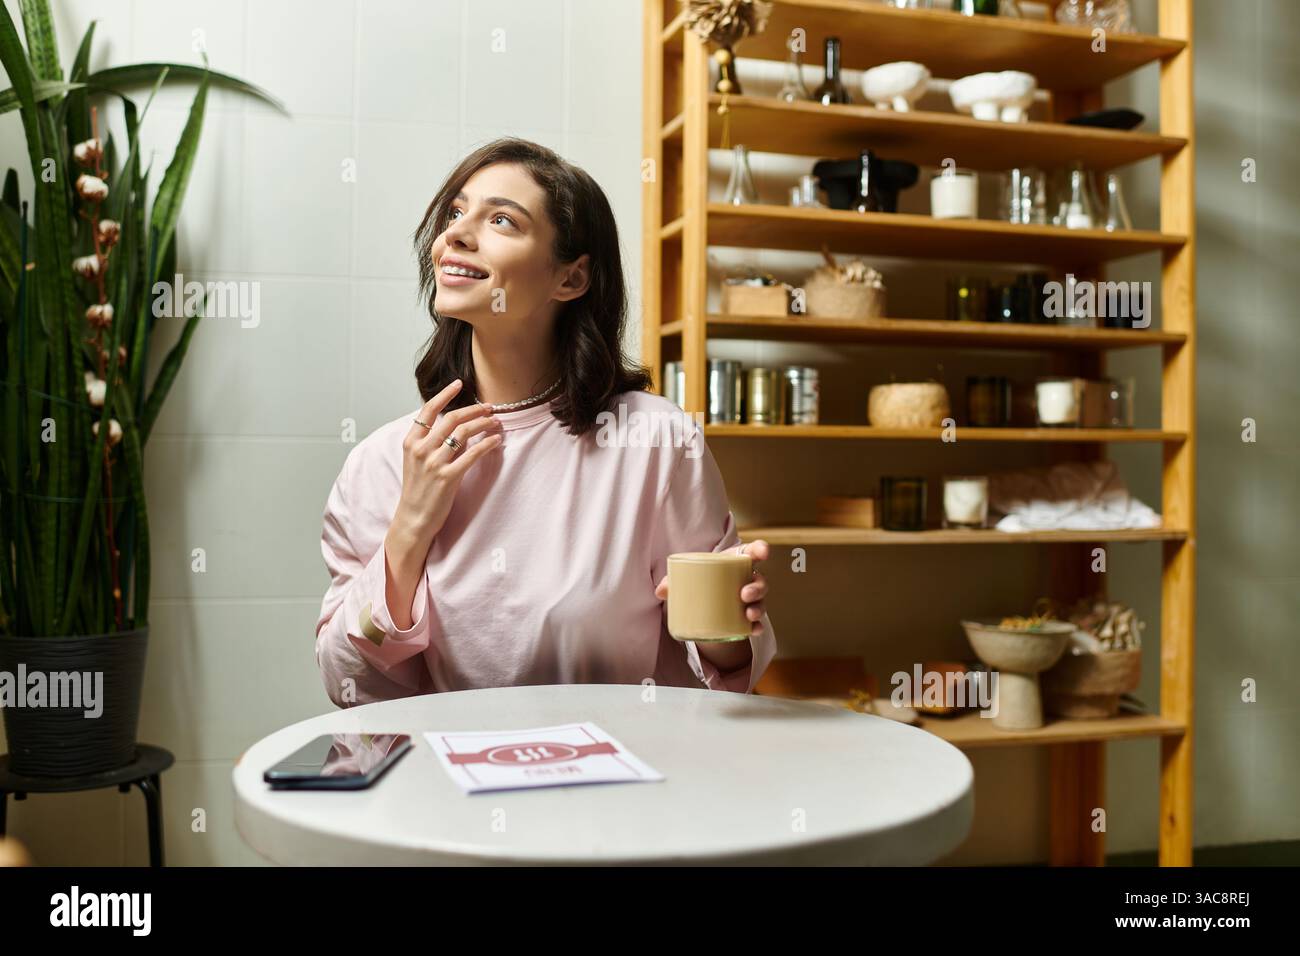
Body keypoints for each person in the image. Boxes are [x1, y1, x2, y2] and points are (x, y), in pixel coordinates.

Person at [314, 137, 776, 708]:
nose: (455, 233)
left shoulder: (656, 441)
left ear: (571, 279)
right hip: (448, 785)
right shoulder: (384, 461)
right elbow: (347, 685)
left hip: (623, 778)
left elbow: (728, 670)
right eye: (456, 213)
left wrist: (730, 627)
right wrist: (410, 526)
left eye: (502, 220)